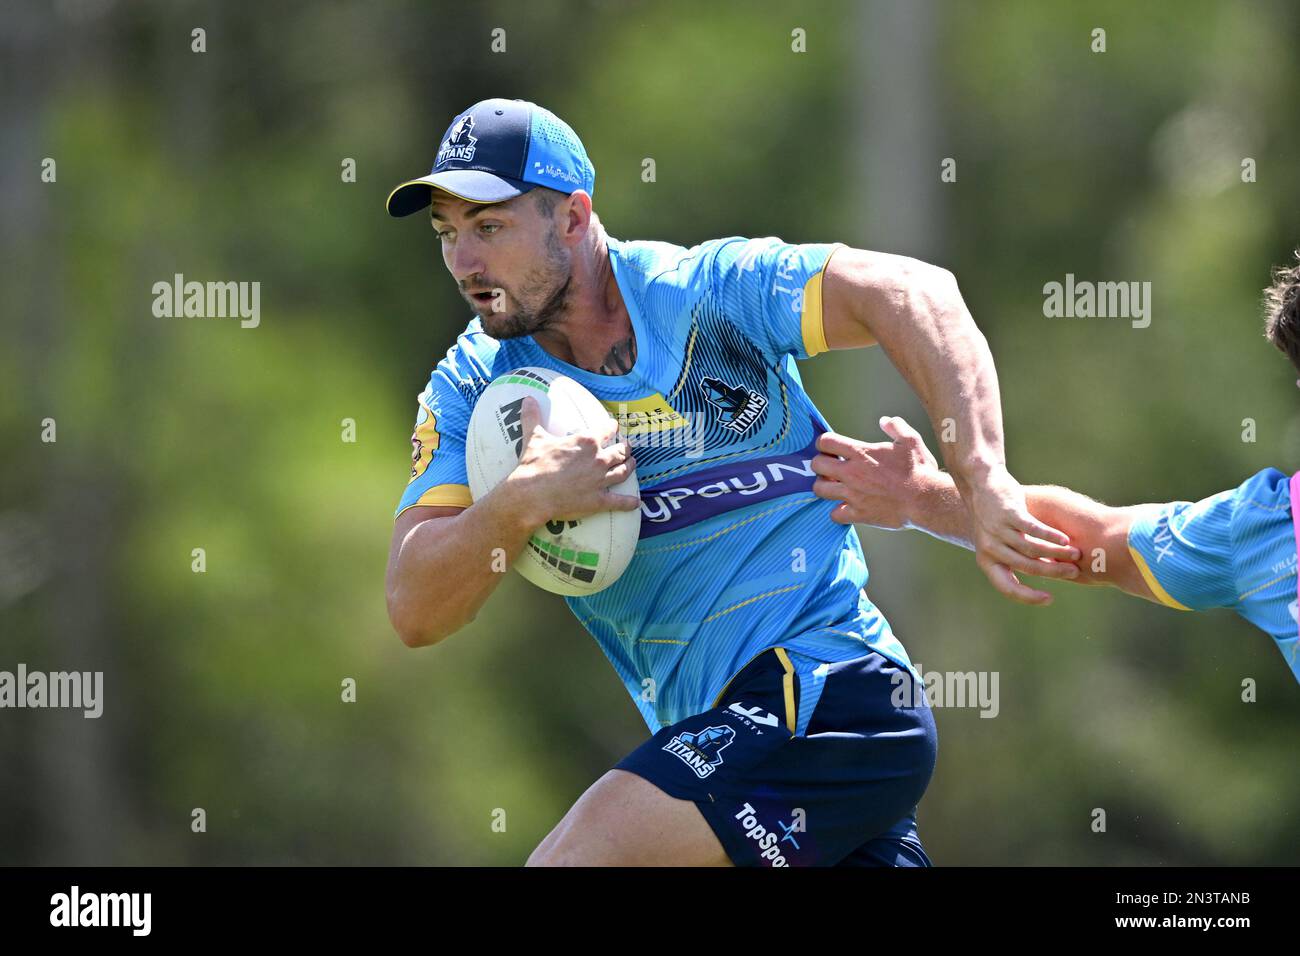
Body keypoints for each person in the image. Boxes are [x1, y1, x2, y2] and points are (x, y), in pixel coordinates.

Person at [383, 97, 1078, 866]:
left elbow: (915, 291)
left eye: (489, 228)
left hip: (834, 695)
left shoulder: (706, 295)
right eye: (448, 235)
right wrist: (520, 504)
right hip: (745, 751)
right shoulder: (470, 387)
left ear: (574, 219)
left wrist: (981, 476)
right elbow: (415, 607)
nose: (464, 264)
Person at [809, 250, 1300, 684]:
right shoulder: (1262, 528)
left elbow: (1095, 544)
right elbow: (1094, 543)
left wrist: (919, 495)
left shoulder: (1263, 531)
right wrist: (920, 495)